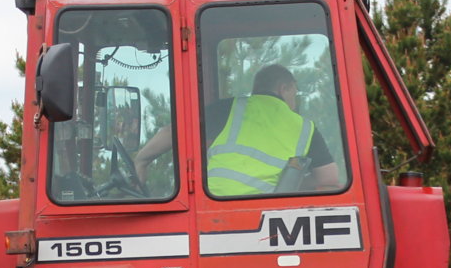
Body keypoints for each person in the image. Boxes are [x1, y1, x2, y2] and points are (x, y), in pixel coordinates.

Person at [130, 64, 340, 195]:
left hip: (214, 204)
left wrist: (141, 160)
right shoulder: (305, 128)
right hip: (267, 213)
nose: (295, 101)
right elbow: (329, 178)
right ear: (283, 88)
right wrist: (289, 184)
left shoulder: (230, 108)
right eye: (295, 93)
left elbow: (170, 133)